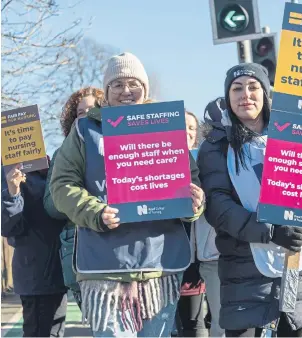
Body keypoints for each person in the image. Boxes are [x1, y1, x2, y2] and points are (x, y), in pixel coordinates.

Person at [49, 52, 205, 337]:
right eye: (117, 84)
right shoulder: (85, 131)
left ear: (145, 89)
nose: (126, 91)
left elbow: (190, 183)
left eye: (133, 83)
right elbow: (61, 185)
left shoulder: (166, 127)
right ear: (106, 92)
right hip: (104, 270)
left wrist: (193, 203)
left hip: (159, 268)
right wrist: (94, 212)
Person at [198, 63, 302, 337]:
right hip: (246, 276)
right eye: (237, 88)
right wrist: (268, 232)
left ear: (266, 94)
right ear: (228, 96)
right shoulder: (216, 146)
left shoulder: (295, 137)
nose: (245, 94)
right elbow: (218, 207)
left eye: (253, 86)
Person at [44, 87, 105, 308]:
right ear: (73, 119)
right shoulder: (63, 154)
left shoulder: (120, 145)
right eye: (81, 112)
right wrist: (78, 198)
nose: (88, 115)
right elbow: (51, 204)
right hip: (80, 249)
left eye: (94, 109)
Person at [2, 163, 67, 337]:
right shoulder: (10, 172)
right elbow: (8, 227)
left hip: (60, 270)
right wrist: (13, 193)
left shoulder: (52, 166)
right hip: (36, 274)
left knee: (54, 333)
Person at [175, 110, 208, 337]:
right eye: (180, 126)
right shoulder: (154, 160)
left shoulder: (204, 161)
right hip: (164, 254)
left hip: (195, 256)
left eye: (191, 128)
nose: (186, 132)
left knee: (192, 321)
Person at [197, 98, 227, 338]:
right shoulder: (202, 154)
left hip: (254, 250)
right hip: (214, 252)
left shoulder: (258, 147)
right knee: (221, 323)